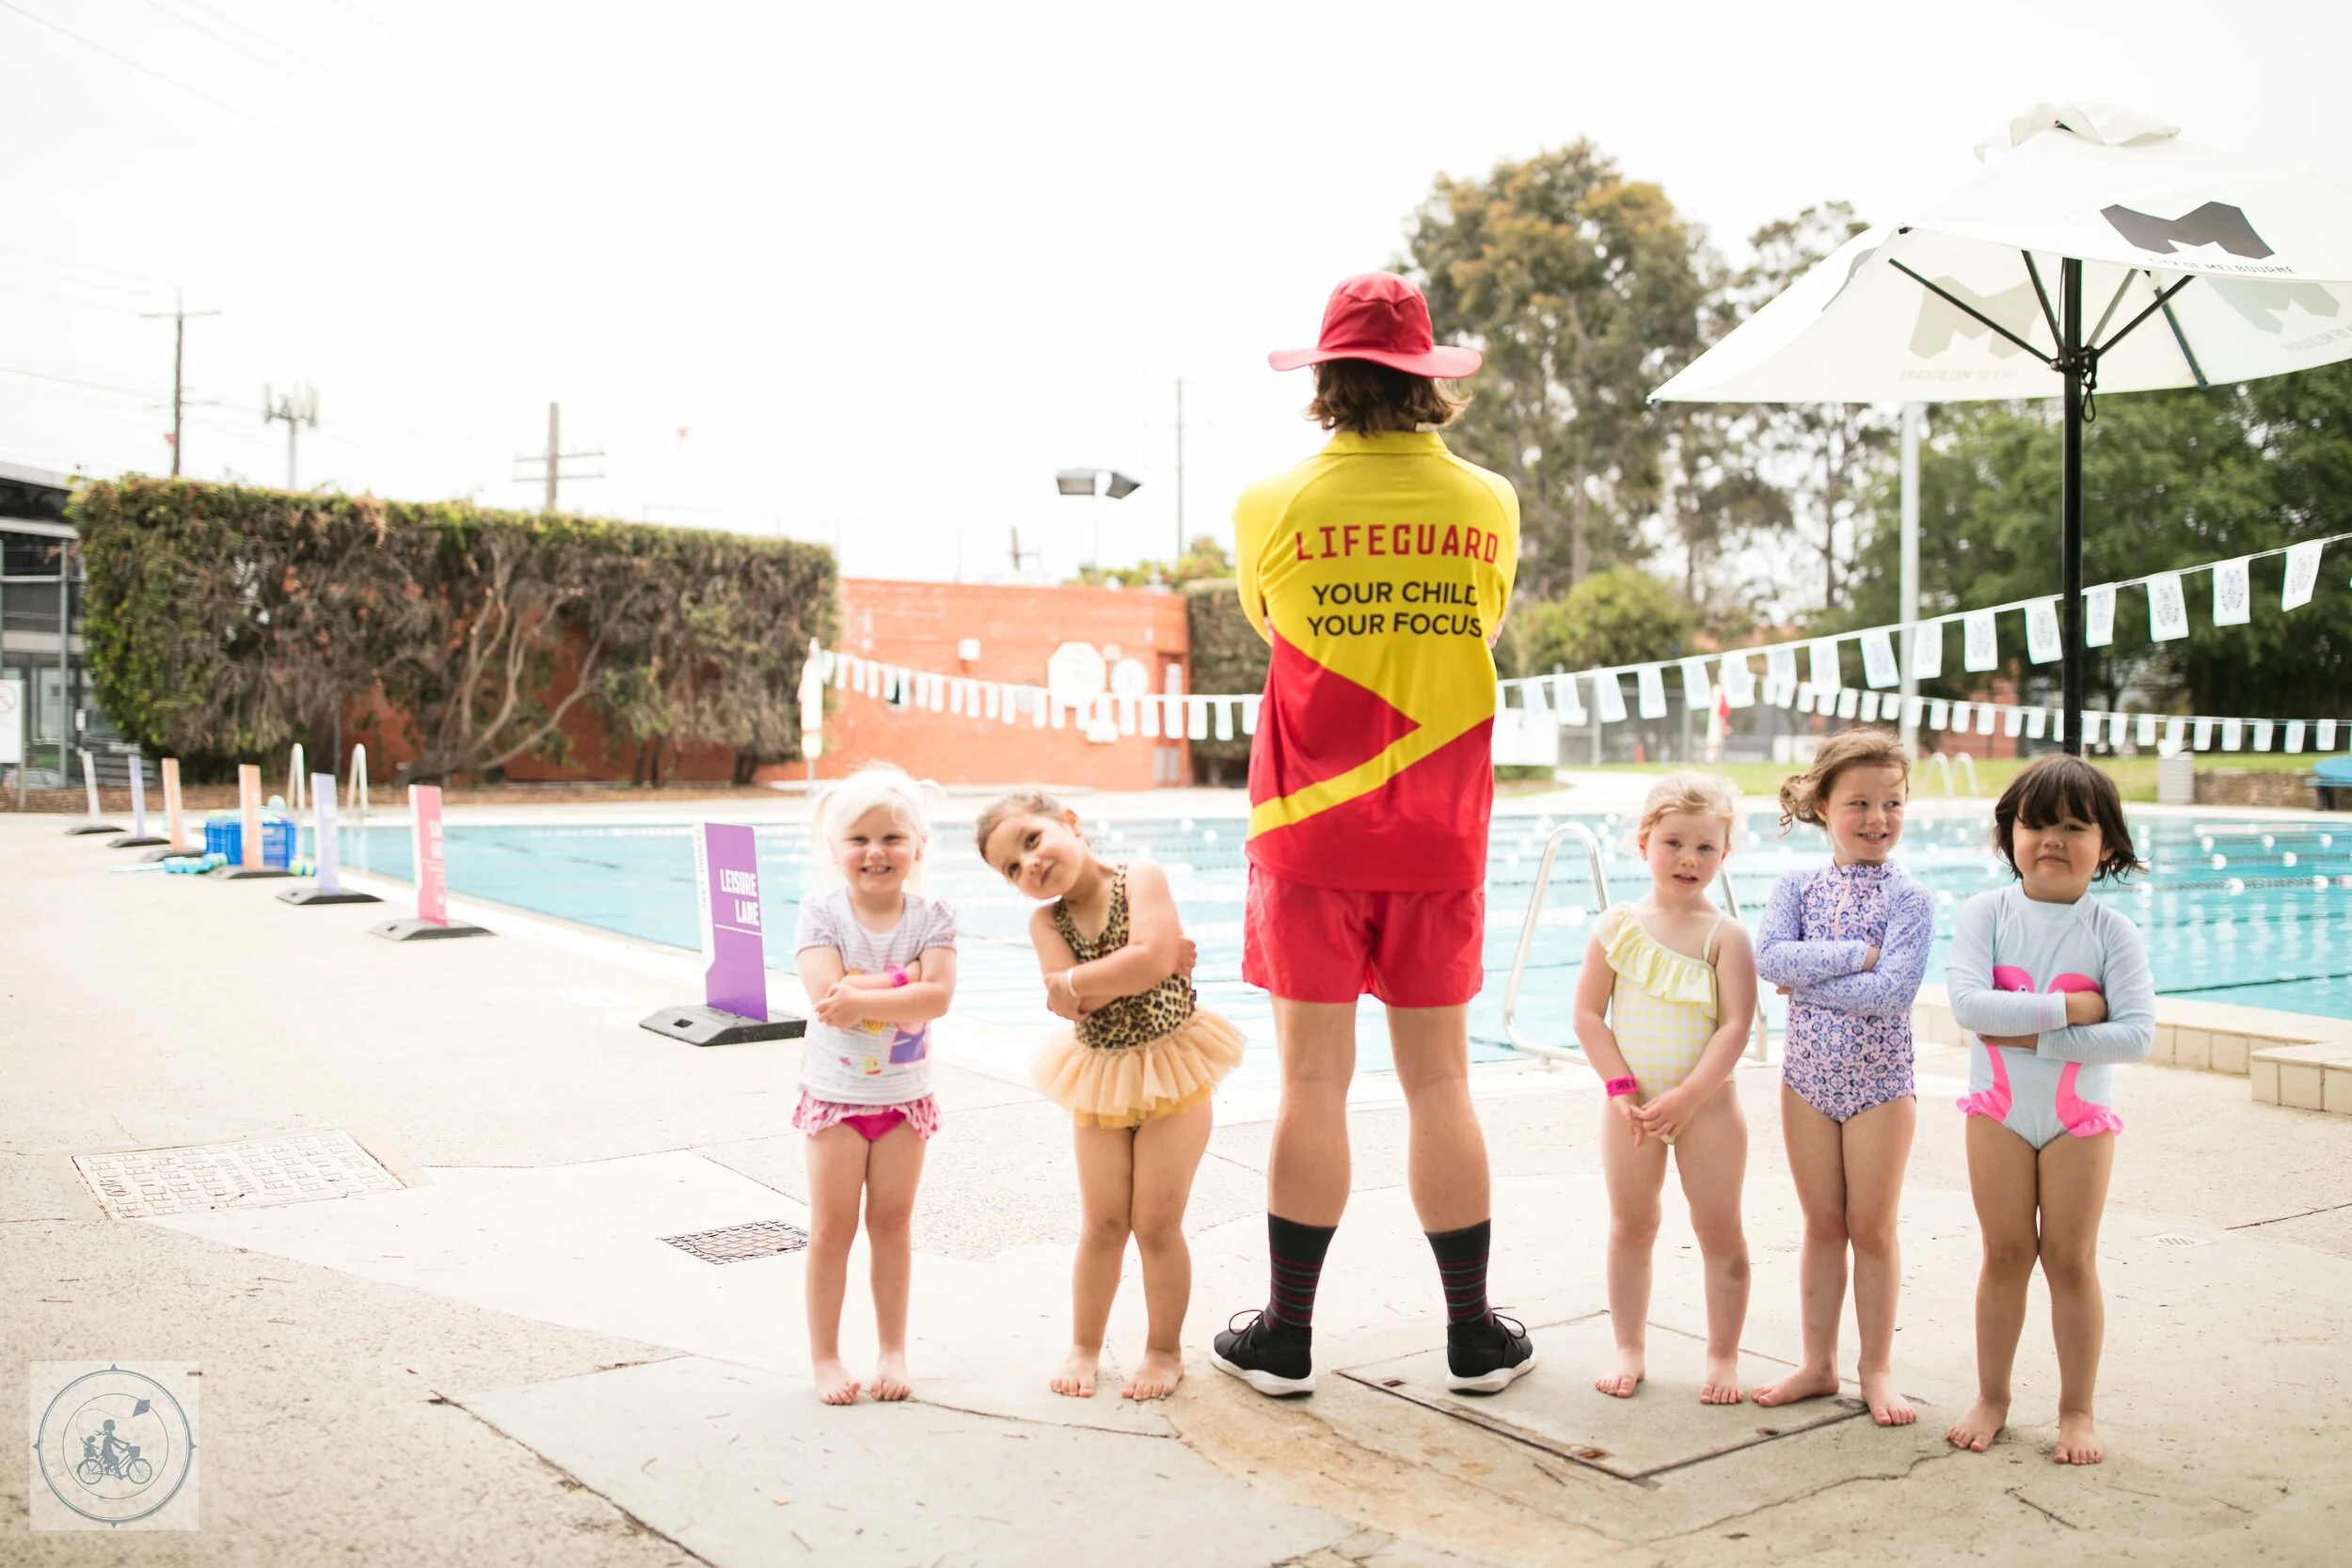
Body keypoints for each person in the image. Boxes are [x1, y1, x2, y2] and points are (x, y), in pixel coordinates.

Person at [1211, 271, 1532, 1400]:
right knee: (1440, 1084)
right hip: (1440, 833)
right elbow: (1484, 621)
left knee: (1311, 1082)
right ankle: (1473, 1335)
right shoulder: (1488, 500)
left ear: (1329, 379)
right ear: (1426, 378)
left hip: (1311, 832)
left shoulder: (1272, 503)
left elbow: (1272, 619)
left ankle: (1286, 1337)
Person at [976, 792, 1243, 1402]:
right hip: (1100, 1075)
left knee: (1155, 1221)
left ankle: (1163, 1348)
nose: (1030, 864)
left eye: (1031, 839)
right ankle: (1085, 1344)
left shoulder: (1140, 877)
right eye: (1011, 868)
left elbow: (1138, 965)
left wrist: (1088, 976)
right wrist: (1133, 967)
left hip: (1174, 1066)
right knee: (1102, 1222)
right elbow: (1085, 994)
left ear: (1070, 822)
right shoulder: (1046, 922)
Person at [1942, 754, 2153, 1465]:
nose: (2053, 839)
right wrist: (2071, 1010)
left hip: (2078, 1122)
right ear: (2010, 835)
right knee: (2004, 1254)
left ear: (2109, 844)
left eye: (2073, 825)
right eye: (2037, 823)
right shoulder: (1987, 913)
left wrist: (2029, 1032)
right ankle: (1992, 1396)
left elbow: (2135, 1034)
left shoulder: (2110, 932)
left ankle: (2076, 1408)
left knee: (2069, 1260)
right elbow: (1970, 1006)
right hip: (1997, 1110)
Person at [1750, 730, 1935, 1426]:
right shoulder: (1795, 885)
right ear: (1823, 805)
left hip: (1880, 1085)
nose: (1877, 819)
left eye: (1892, 802)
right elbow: (1770, 958)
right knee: (1823, 1224)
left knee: (1873, 1227)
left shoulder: (1911, 899)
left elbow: (1892, 994)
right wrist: (1857, 953)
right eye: (1859, 802)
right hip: (1806, 1081)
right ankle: (1818, 1363)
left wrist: (1810, 979)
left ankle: (1876, 1369)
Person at [1571, 772, 1759, 1403]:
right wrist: (1621, 1088)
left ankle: (1723, 1355)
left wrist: (1690, 1095)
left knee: (1718, 1229)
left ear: (1724, 855)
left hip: (1706, 1106)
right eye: (1674, 842)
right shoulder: (1618, 926)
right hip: (1630, 1104)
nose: (1688, 859)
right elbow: (1589, 1015)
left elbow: (1736, 1025)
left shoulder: (1725, 936)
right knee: (1632, 1223)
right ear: (1644, 842)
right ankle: (1629, 1344)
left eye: (1705, 848)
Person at [793, 767, 959, 1404]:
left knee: (893, 1225)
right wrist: (905, 979)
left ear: (918, 847)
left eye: (892, 837)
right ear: (836, 849)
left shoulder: (933, 914)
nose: (875, 851)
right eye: (859, 838)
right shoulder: (821, 909)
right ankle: (827, 1357)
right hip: (836, 1100)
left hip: (903, 1099)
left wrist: (877, 984)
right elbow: (826, 996)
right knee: (832, 1229)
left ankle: (893, 1350)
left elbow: (939, 997)